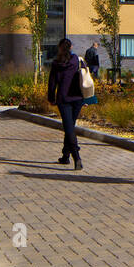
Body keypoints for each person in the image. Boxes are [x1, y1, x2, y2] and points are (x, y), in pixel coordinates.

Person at [46, 38, 85, 170]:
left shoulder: (56, 63)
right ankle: (65, 155)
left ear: (60, 48)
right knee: (70, 127)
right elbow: (85, 75)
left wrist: (51, 98)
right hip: (77, 98)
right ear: (71, 47)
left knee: (69, 128)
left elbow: (52, 83)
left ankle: (76, 156)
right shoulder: (77, 60)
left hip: (64, 99)